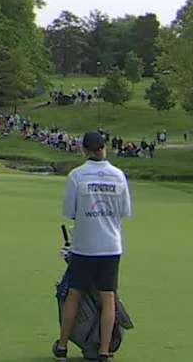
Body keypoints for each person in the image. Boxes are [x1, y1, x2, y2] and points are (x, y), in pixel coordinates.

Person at [53, 131, 131, 361]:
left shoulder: (77, 176)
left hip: (84, 246)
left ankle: (63, 346)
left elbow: (70, 212)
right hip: (111, 246)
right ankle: (104, 351)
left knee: (74, 295)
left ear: (84, 150)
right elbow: (125, 212)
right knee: (108, 298)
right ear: (104, 147)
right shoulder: (118, 175)